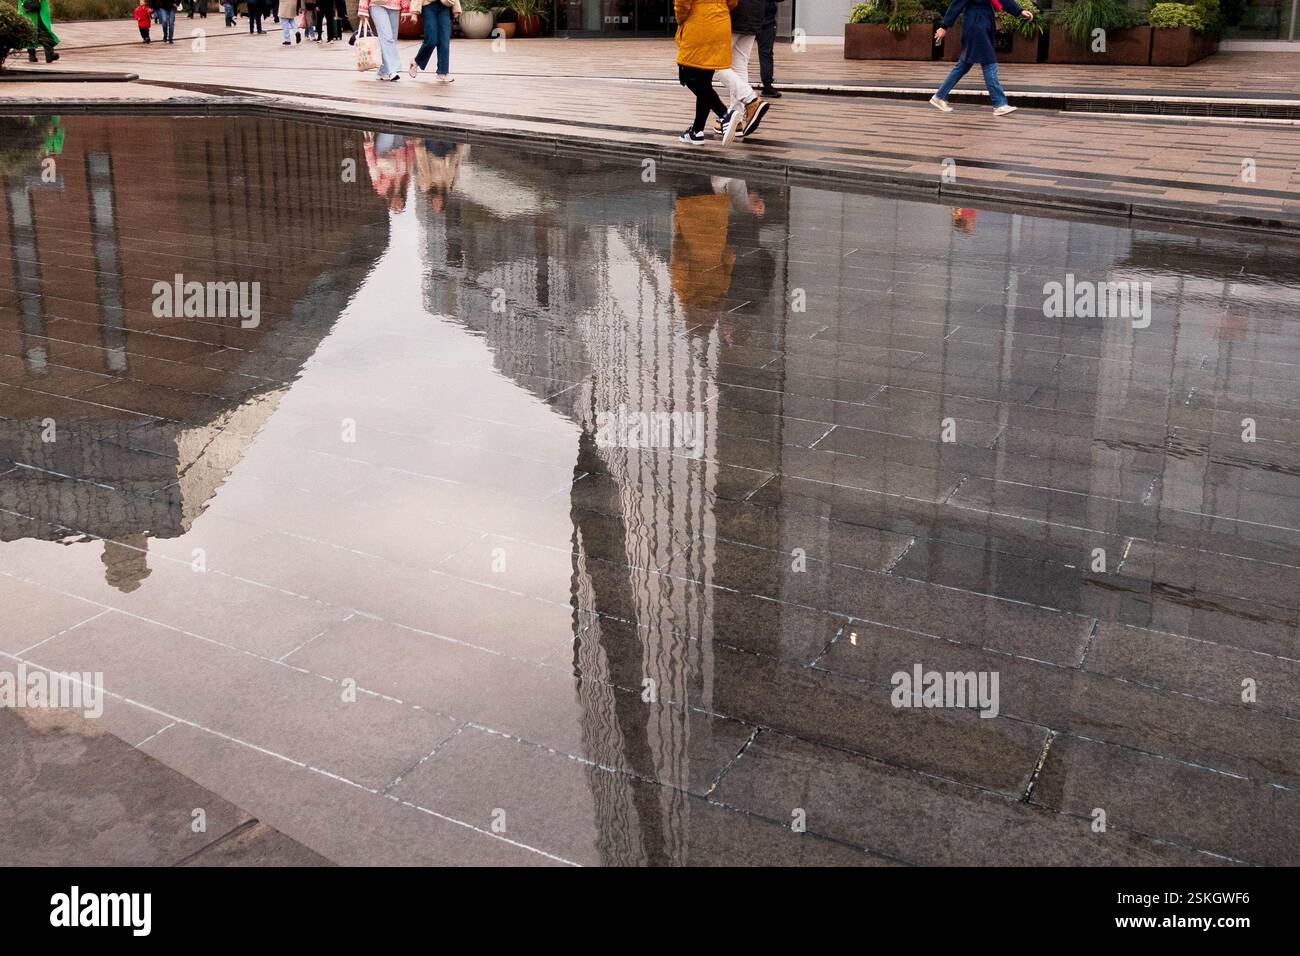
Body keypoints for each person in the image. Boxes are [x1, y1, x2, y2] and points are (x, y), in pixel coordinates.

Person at [931, 0, 1032, 116]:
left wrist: (1019, 11)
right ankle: (999, 104)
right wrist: (944, 26)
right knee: (989, 63)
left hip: (982, 23)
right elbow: (957, 3)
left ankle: (939, 96)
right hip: (976, 25)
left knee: (963, 65)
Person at [674, 0, 742, 146]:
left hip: (698, 25)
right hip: (720, 24)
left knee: (689, 76)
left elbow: (682, 4)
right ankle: (697, 132)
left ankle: (725, 114)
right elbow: (733, 2)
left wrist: (680, 18)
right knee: (704, 81)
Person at [716, 0, 770, 139]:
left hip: (734, 15)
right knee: (740, 65)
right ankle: (737, 120)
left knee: (717, 65)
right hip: (755, 15)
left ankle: (751, 100)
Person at [358, 0, 409, 81]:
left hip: (396, 5)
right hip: (377, 4)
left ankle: (383, 71)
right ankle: (393, 70)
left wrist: (405, 7)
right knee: (387, 38)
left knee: (392, 39)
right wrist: (363, 8)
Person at [409, 0, 457, 82]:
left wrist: (456, 8)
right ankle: (416, 61)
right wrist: (414, 13)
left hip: (445, 6)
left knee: (444, 41)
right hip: (428, 6)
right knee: (431, 40)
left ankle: (443, 72)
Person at [756, 0, 783, 97]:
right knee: (765, 54)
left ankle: (767, 85)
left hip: (764, 21)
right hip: (752, 19)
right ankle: (767, 86)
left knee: (766, 53)